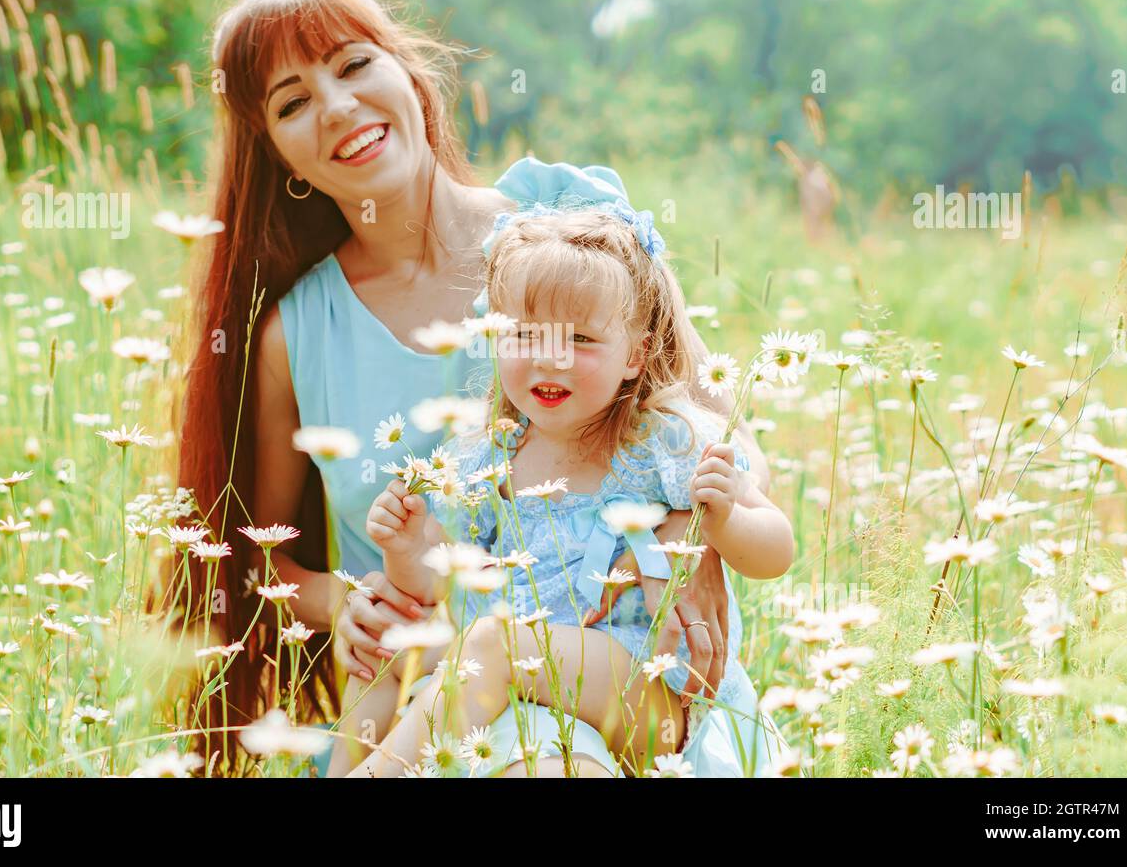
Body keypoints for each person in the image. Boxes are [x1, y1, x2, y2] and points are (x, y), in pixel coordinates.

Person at [176, 0, 772, 772]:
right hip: (422, 704)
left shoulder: (570, 229)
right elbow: (262, 559)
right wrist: (347, 603)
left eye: (353, 65)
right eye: (292, 101)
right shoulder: (295, 333)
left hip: (615, 687)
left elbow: (713, 425)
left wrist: (686, 538)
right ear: (277, 153)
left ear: (409, 76)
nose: (339, 106)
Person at [335, 161, 793, 777]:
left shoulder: (664, 440)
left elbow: (776, 553)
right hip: (535, 699)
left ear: (635, 354)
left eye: (579, 340)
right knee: (425, 662)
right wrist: (407, 547)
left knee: (493, 646)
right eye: (525, 336)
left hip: (651, 694)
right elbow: (436, 589)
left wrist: (730, 517)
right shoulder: (485, 457)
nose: (550, 360)